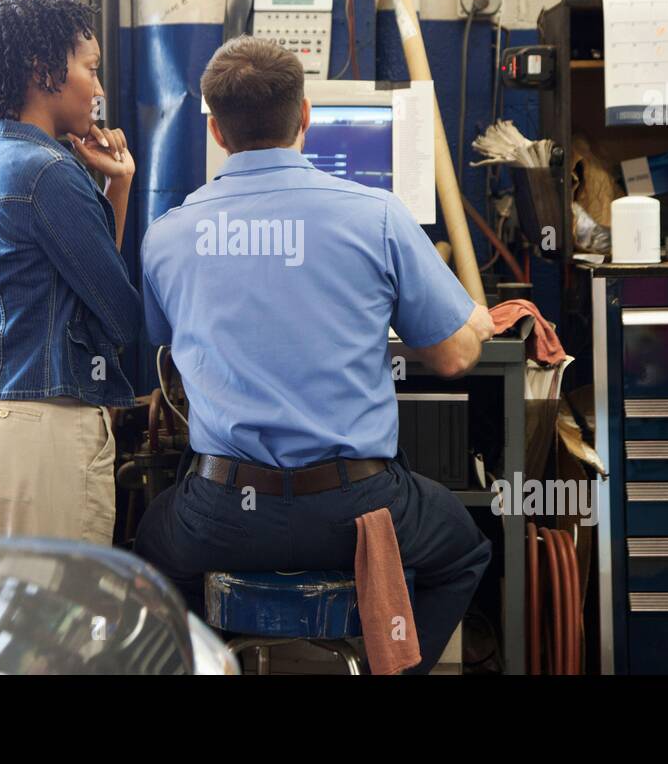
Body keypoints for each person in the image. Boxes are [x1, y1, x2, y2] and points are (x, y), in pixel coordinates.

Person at [135, 36, 495, 673]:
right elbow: (453, 358)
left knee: (150, 546)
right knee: (467, 549)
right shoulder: (377, 217)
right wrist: (471, 322)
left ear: (216, 131)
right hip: (356, 512)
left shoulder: (167, 235)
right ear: (305, 117)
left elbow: (164, 340)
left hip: (223, 512)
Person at [0, 0, 139, 543]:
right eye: (90, 70)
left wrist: (115, 186)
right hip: (38, 426)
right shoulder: (50, 172)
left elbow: (77, 277)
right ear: (43, 70)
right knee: (58, 617)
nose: (98, 90)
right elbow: (118, 311)